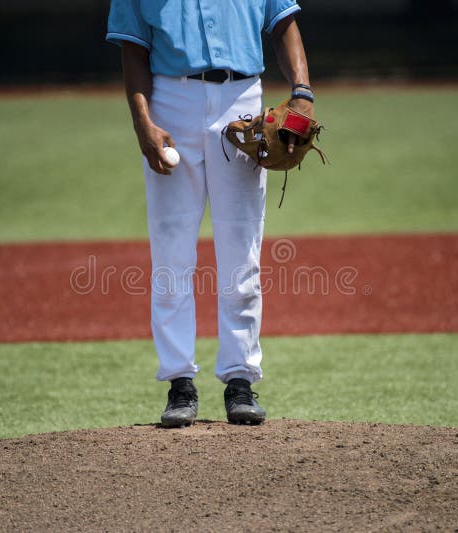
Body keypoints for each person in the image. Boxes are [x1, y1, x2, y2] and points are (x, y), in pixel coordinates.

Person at [106, 0, 315, 427]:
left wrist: (302, 93)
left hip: (241, 101)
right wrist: (142, 122)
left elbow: (283, 24)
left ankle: (240, 380)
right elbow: (133, 49)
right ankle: (179, 382)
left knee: (242, 250)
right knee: (171, 251)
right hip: (169, 100)